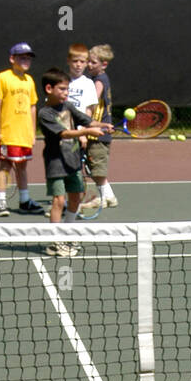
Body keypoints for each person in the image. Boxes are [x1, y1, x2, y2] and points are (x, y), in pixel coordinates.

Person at [37, 68, 112, 255]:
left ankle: (67, 233)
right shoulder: (45, 113)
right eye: (62, 89)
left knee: (75, 197)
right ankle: (55, 241)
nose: (66, 93)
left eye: (67, 89)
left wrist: (103, 125)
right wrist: (87, 132)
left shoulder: (69, 106)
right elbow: (63, 133)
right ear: (49, 88)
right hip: (56, 163)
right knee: (58, 201)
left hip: (73, 161)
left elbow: (87, 121)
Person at [0, 43, 46, 217]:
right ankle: (1, 202)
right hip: (8, 133)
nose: (26, 60)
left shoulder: (29, 81)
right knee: (5, 166)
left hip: (24, 134)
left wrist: (33, 132)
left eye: (28, 57)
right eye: (22, 57)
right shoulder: (3, 77)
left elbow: (32, 107)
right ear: (12, 59)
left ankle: (24, 201)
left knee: (22, 167)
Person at [86, 44, 118, 207]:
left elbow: (92, 101)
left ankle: (103, 197)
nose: (88, 65)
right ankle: (109, 196)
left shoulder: (99, 81)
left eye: (93, 62)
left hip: (98, 132)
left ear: (104, 64)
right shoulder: (98, 79)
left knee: (97, 167)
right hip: (98, 130)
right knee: (94, 167)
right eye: (88, 62)